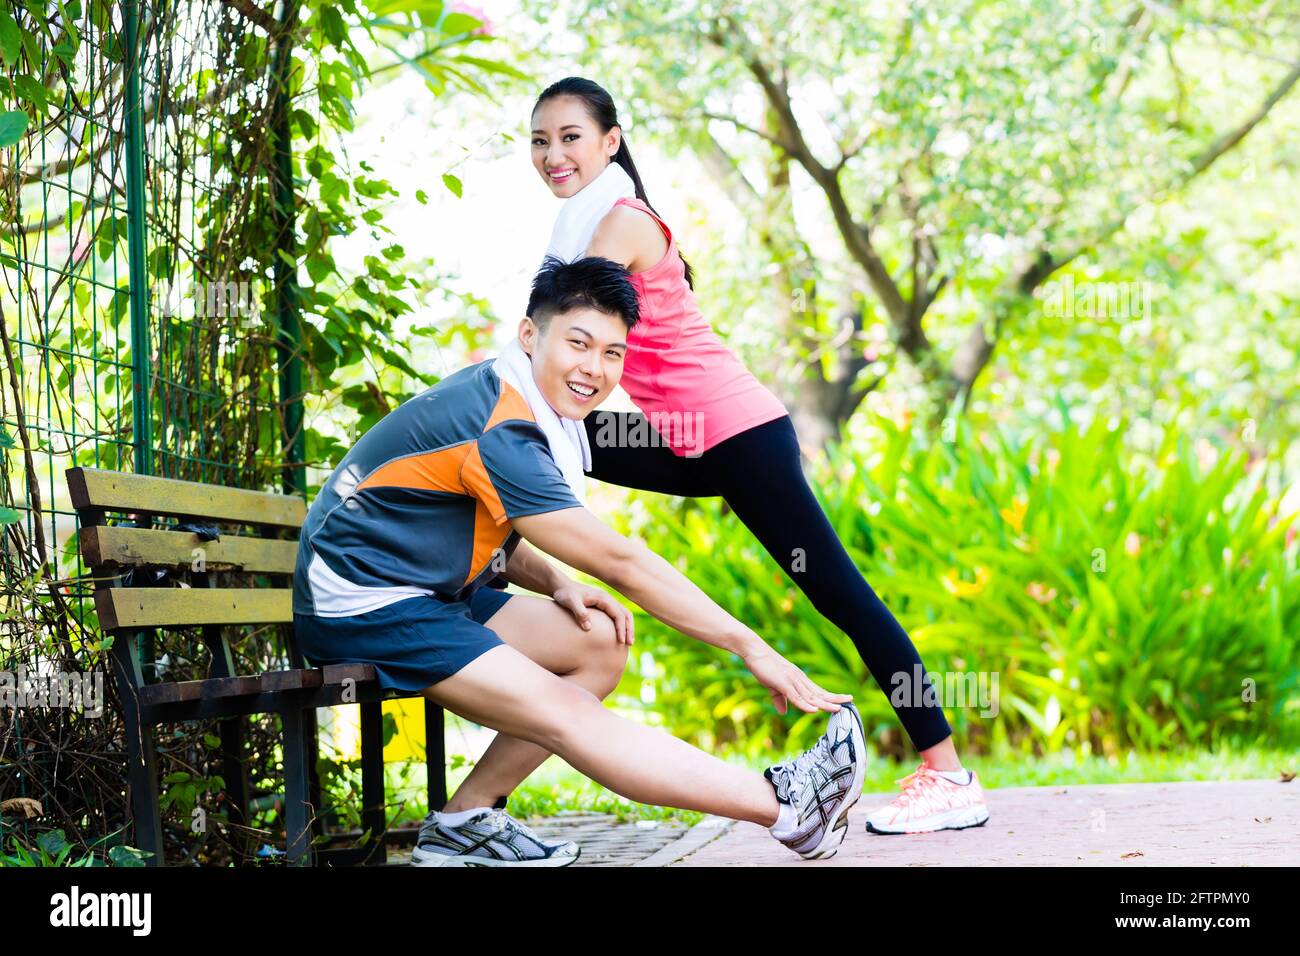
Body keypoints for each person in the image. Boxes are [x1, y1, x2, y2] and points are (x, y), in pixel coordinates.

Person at [292, 256, 867, 866]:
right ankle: (788, 808)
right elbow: (621, 562)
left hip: (428, 590)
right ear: (529, 335)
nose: (594, 369)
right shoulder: (501, 423)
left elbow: (480, 524)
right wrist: (750, 646)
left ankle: (464, 822)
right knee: (568, 713)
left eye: (614, 353)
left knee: (597, 642)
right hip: (363, 603)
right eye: (579, 343)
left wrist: (557, 583)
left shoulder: (516, 398)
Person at [529, 76, 990, 836]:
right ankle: (494, 525)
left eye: (570, 136)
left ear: (610, 142)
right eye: (541, 141)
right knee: (563, 438)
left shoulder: (622, 221)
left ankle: (948, 774)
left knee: (843, 596)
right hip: (692, 439)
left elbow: (566, 310)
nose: (553, 154)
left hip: (738, 436)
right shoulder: (594, 217)